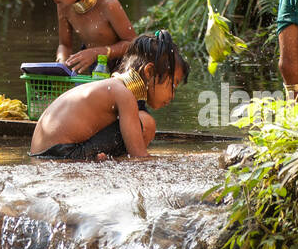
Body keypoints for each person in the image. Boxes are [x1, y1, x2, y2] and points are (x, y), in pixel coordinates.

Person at [30, 31, 186, 161]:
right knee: (143, 125)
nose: (173, 95)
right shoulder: (124, 95)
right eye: (173, 85)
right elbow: (139, 157)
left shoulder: (113, 86)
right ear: (149, 72)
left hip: (42, 152)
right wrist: (175, 163)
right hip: (61, 154)